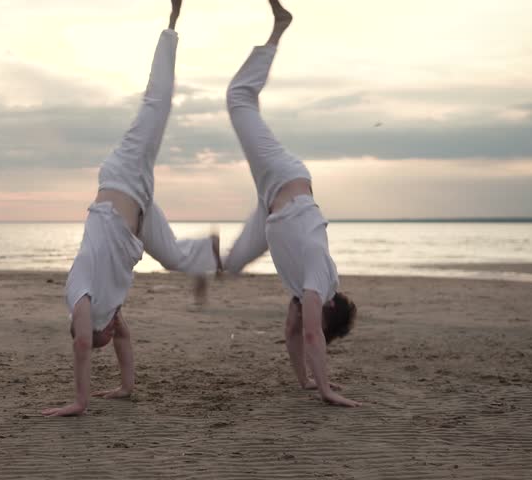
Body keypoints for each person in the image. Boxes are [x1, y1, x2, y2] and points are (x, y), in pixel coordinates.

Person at [42, 0, 220, 417]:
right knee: (175, 258)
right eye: (110, 331)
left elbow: (84, 342)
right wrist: (126, 386)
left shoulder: (79, 296)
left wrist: (80, 402)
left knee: (156, 105)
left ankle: (172, 22)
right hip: (138, 214)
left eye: (105, 331)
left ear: (86, 326)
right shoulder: (107, 312)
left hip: (124, 176)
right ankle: (210, 251)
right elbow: (121, 339)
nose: (115, 330)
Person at [222, 0, 359, 407]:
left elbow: (293, 336)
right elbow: (311, 335)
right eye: (307, 317)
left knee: (229, 266)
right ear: (326, 305)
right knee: (238, 97)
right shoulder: (317, 277)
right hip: (282, 177)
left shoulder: (304, 293)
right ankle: (280, 27)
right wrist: (328, 390)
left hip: (272, 208)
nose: (296, 322)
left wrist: (306, 383)